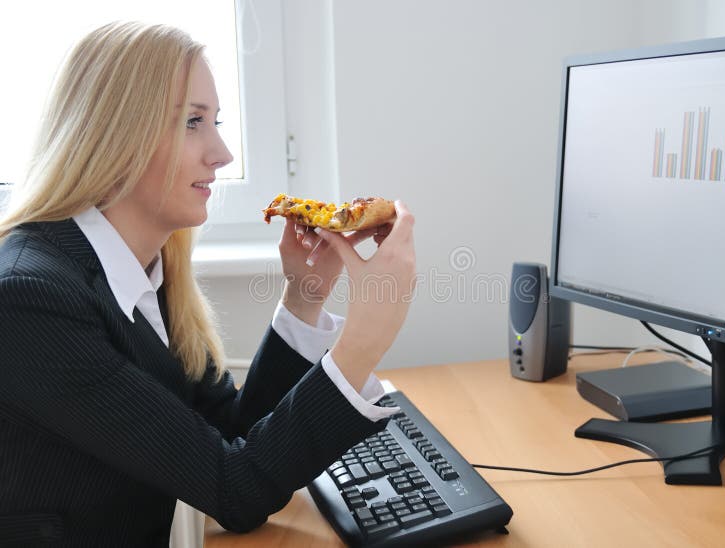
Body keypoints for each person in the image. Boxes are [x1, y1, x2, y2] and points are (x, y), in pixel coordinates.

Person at [0, 21, 416, 546]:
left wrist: (304, 299)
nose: (222, 153)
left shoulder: (145, 269)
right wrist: (362, 342)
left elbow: (230, 436)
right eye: (192, 122)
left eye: (214, 121)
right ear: (114, 136)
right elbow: (234, 490)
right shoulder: (29, 300)